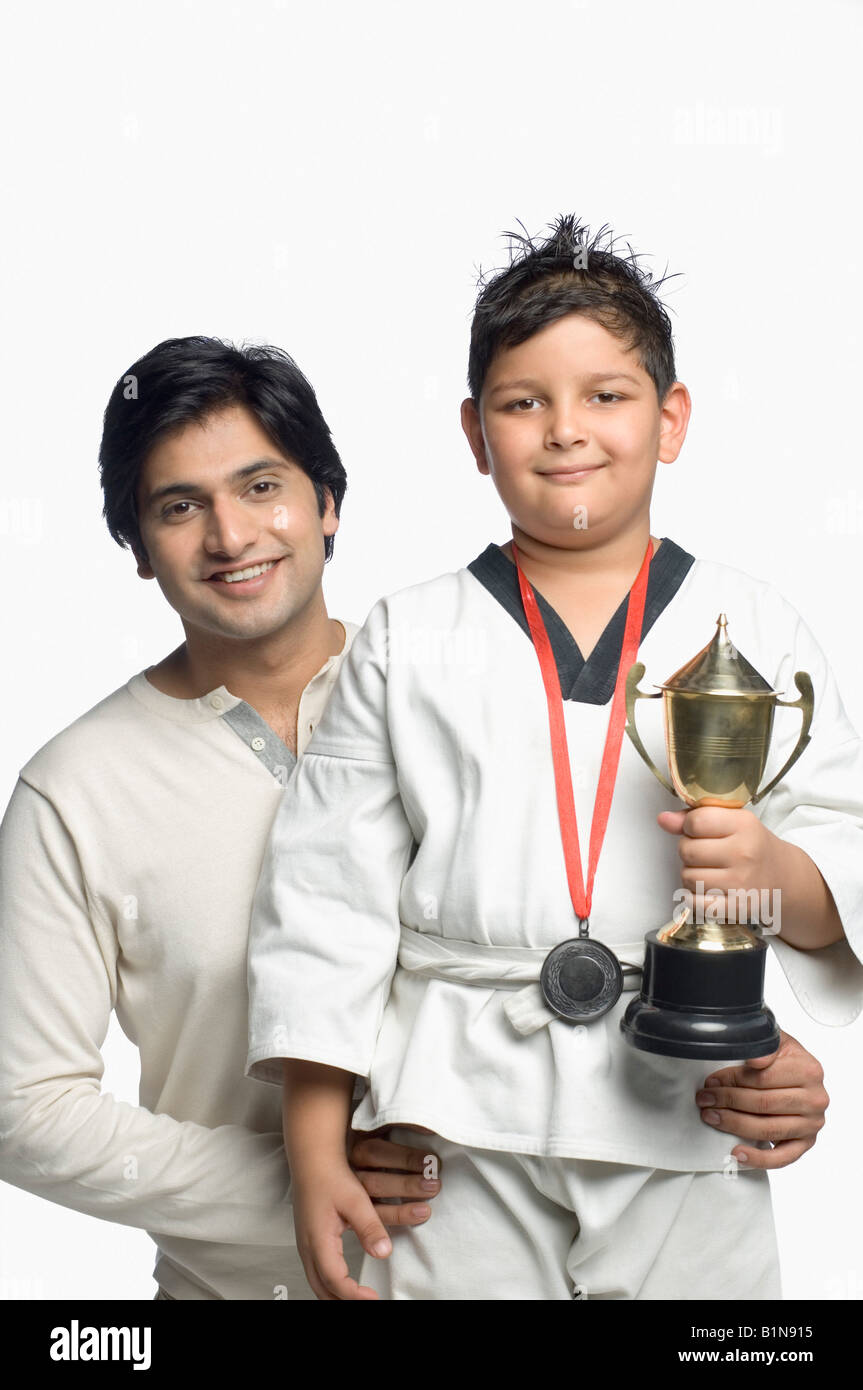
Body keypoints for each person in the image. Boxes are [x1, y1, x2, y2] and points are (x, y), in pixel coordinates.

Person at [244, 215, 861, 1301]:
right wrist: (312, 1146)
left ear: (670, 420)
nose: (564, 429)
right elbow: (324, 900)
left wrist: (774, 875)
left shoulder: (751, 624)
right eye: (523, 402)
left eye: (606, 396)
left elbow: (837, 870)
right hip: (453, 1124)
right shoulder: (406, 633)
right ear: (475, 434)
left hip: (686, 1103)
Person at [0, 337, 441, 1301]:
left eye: (260, 486)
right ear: (137, 546)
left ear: (327, 504)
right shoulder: (73, 789)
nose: (231, 537)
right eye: (179, 506)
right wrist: (296, 1185)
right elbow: (21, 1106)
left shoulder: (460, 703)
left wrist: (738, 1059)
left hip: (514, 1272)